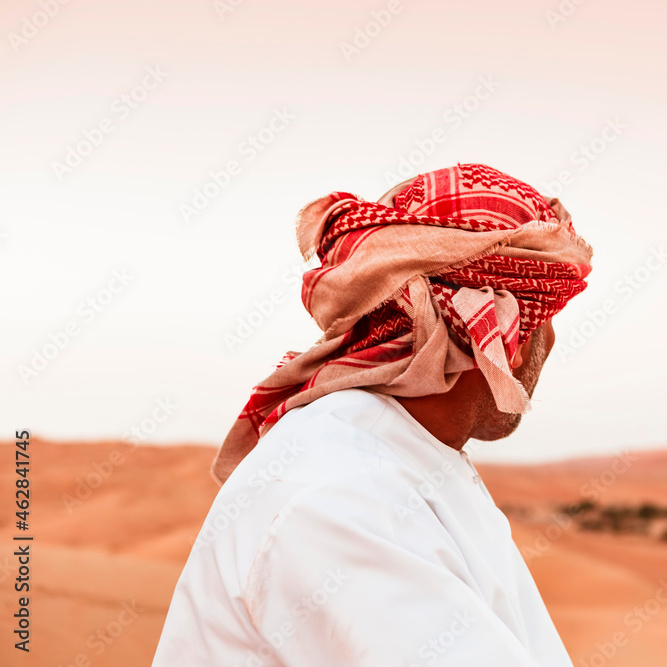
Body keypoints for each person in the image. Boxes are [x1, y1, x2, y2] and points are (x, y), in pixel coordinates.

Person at [152, 163, 593, 666]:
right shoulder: (344, 494)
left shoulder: (393, 456)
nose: (550, 340)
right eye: (547, 318)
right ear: (501, 337)